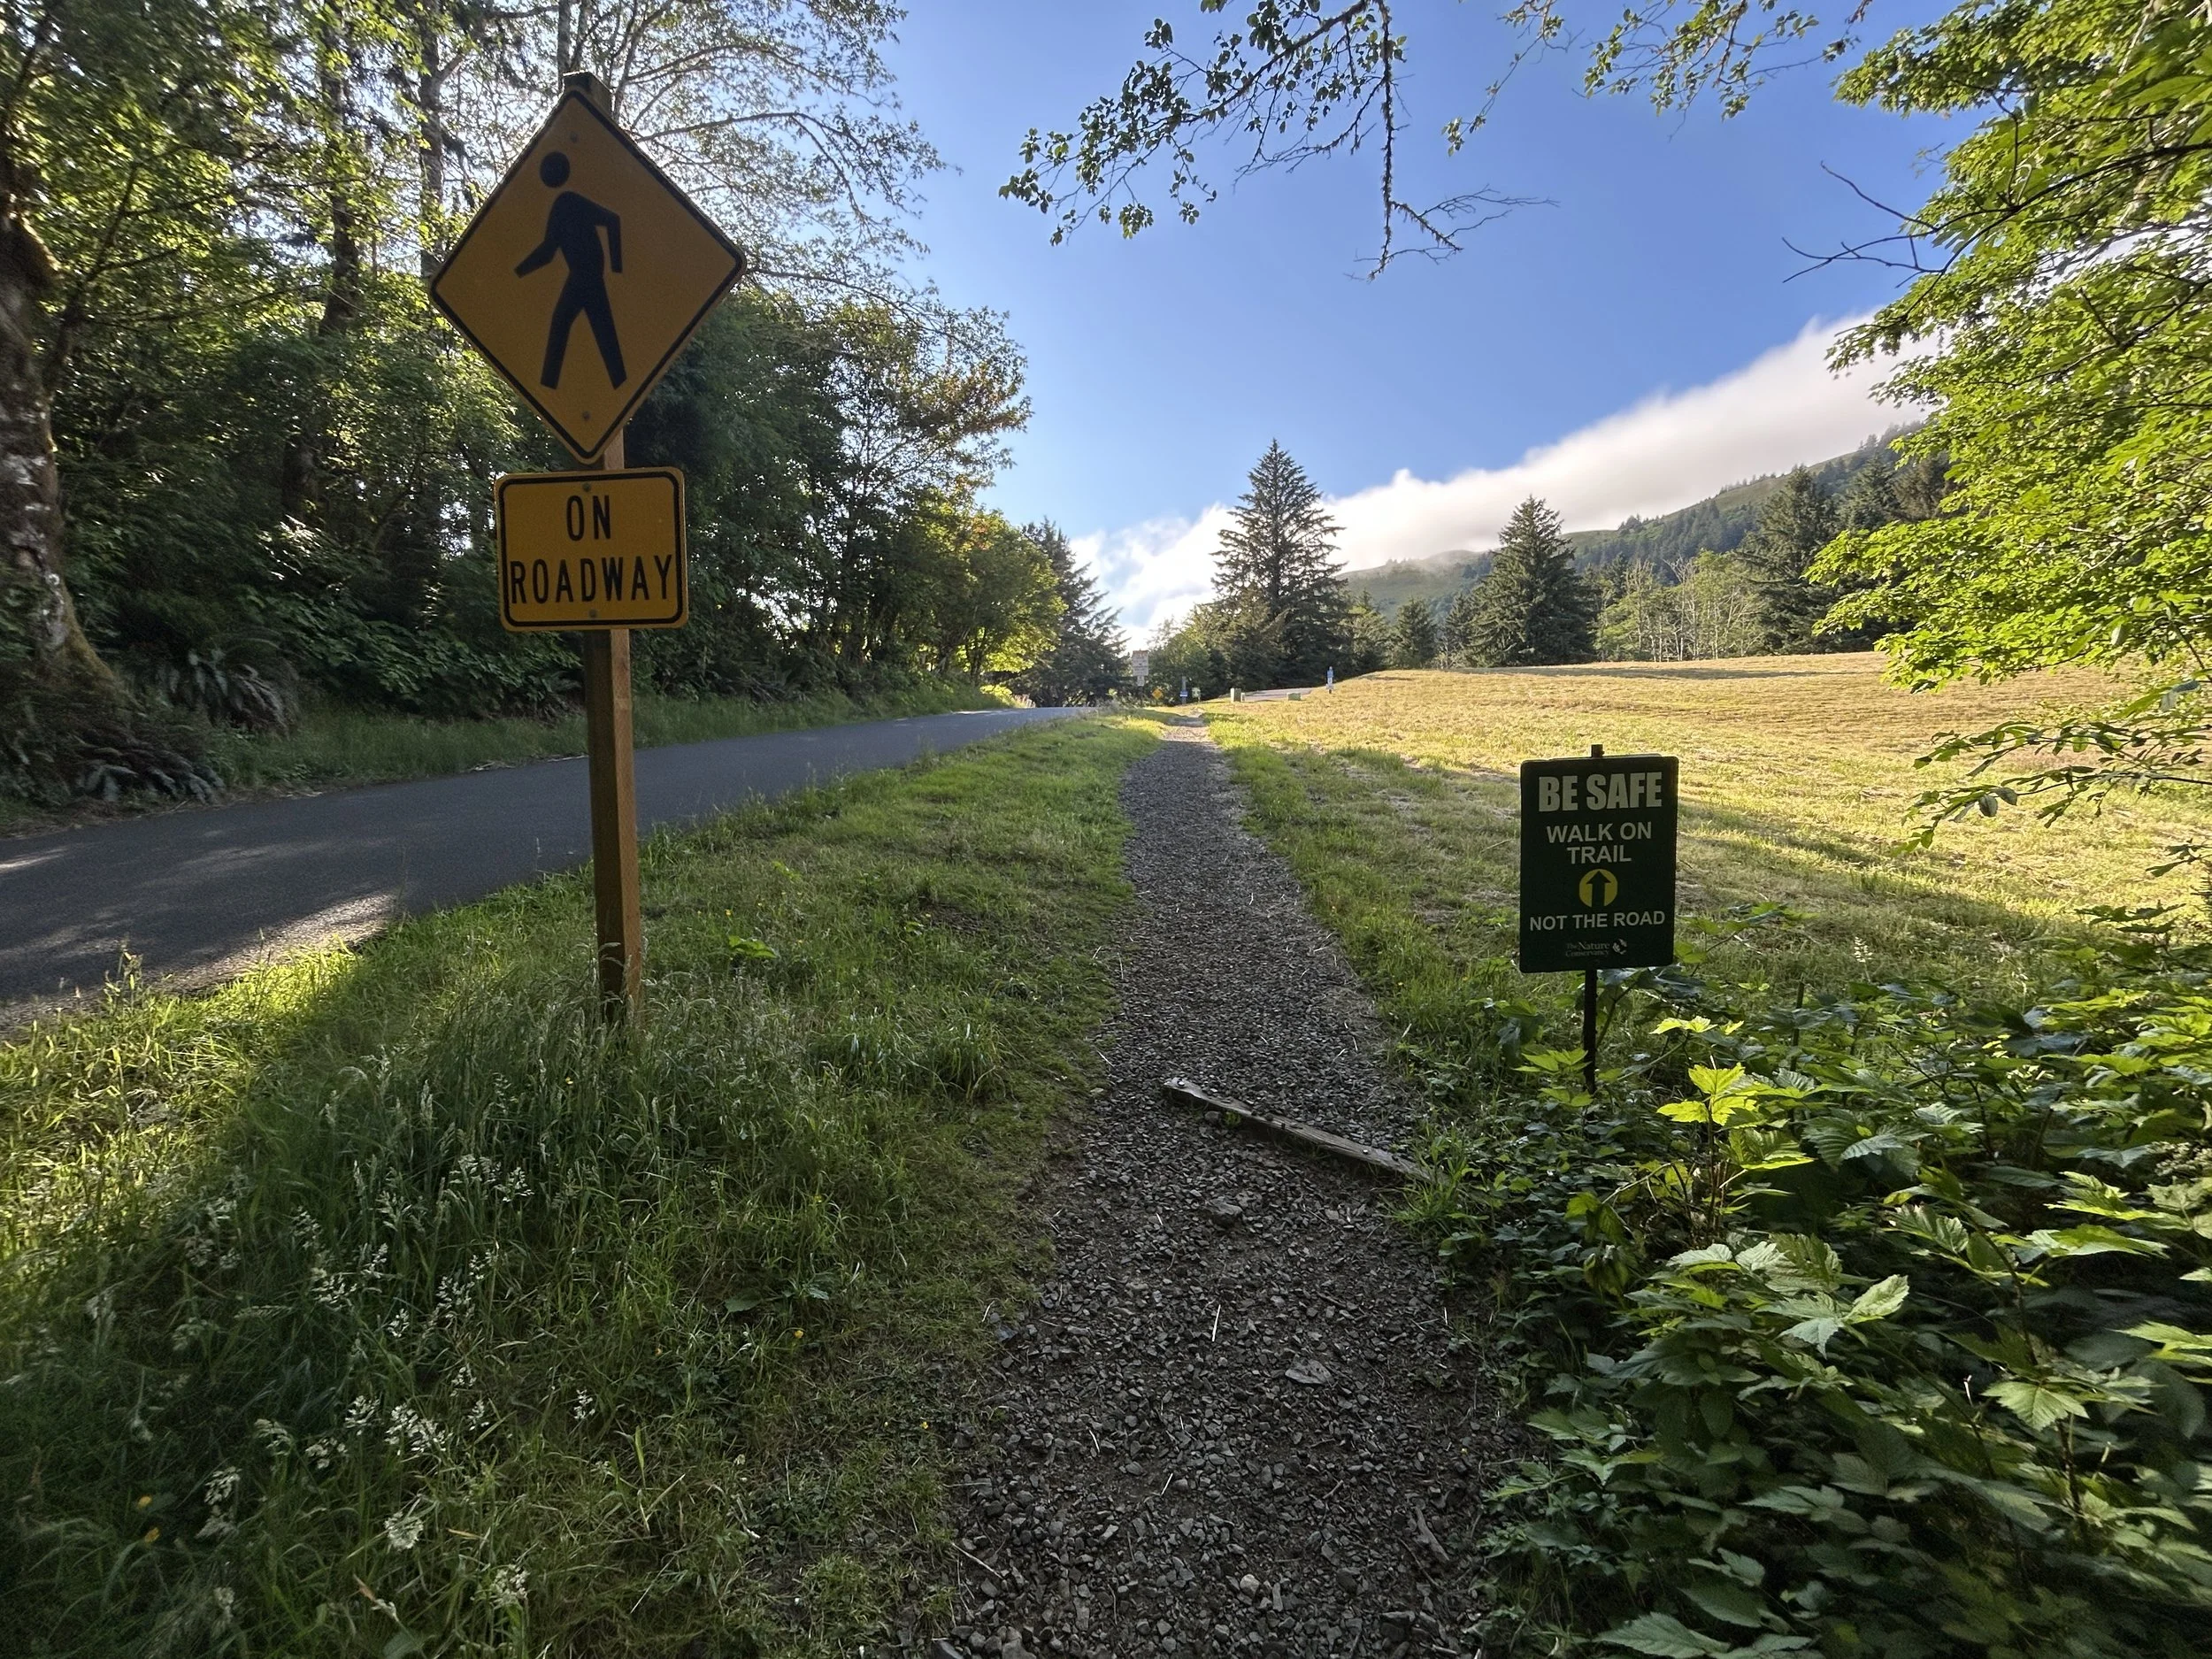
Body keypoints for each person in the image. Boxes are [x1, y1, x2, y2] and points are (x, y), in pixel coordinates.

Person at [515, 151, 626, 389]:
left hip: (588, 276)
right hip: (581, 276)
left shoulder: (569, 201)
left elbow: (613, 220)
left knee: (567, 325)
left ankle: (550, 385)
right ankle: (553, 386)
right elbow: (548, 251)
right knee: (593, 331)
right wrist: (518, 273)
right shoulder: (561, 205)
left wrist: (617, 268)